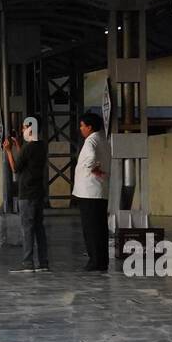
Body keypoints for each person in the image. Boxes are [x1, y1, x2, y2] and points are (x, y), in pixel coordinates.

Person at [3, 116, 49, 273]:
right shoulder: (41, 146)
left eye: (24, 127)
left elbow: (16, 167)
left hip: (26, 193)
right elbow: (27, 161)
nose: (22, 130)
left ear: (31, 129)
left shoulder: (28, 148)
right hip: (38, 192)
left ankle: (28, 262)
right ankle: (43, 262)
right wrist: (18, 147)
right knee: (39, 228)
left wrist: (9, 151)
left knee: (27, 228)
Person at [73, 112, 110, 272]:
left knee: (90, 227)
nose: (81, 129)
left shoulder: (91, 141)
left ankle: (94, 261)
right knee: (100, 226)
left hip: (88, 191)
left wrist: (92, 168)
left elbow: (90, 158)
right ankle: (102, 260)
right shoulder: (103, 139)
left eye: (82, 125)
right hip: (100, 190)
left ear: (89, 127)